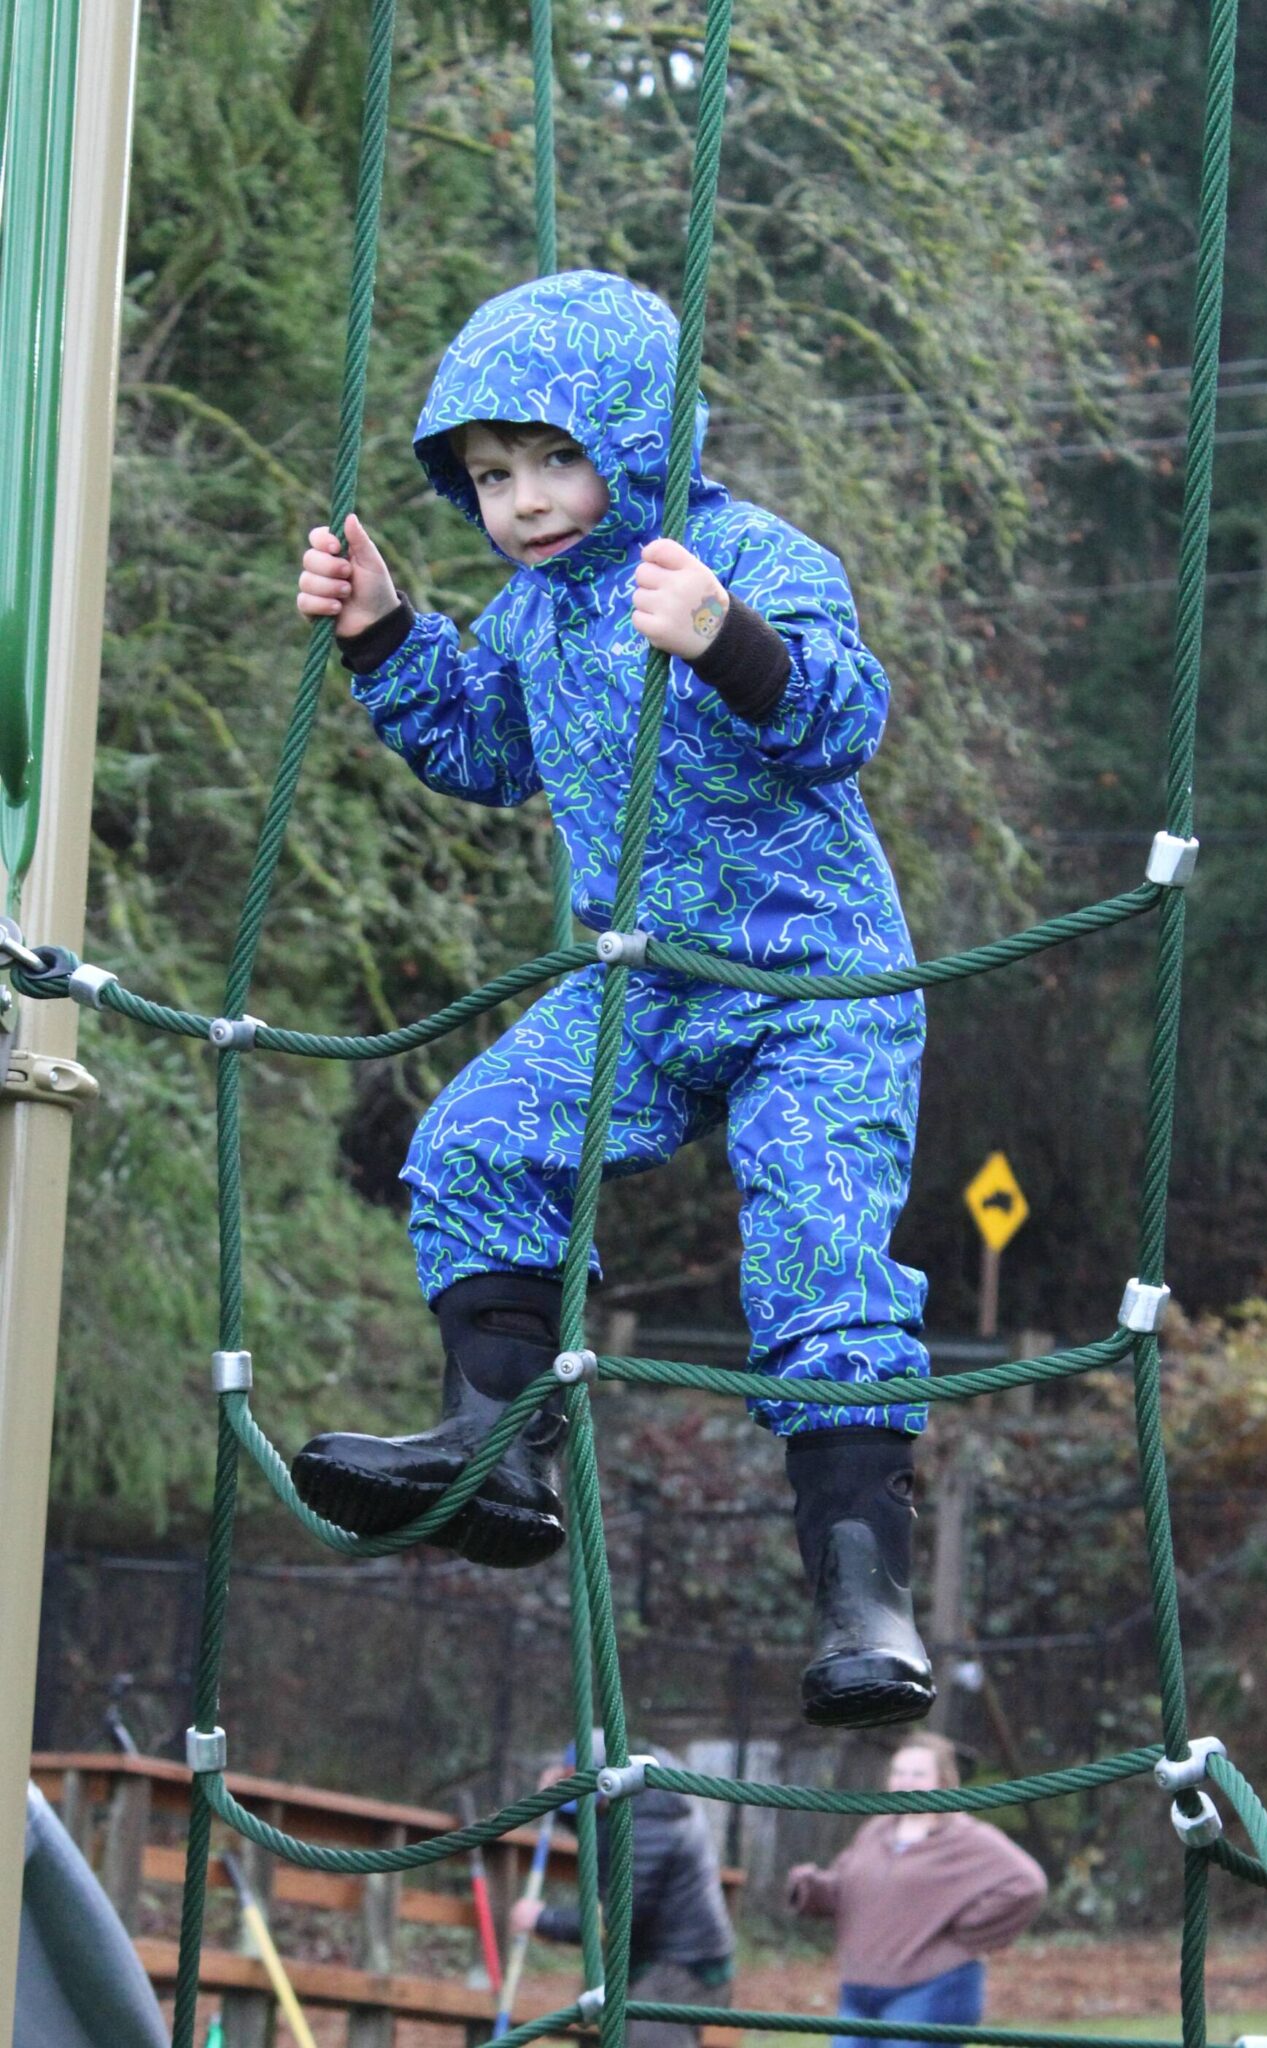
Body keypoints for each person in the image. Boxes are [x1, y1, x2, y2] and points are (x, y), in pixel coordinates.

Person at [289, 268, 933, 1728]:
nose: (522, 502)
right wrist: (387, 630)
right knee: (474, 1147)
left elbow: (845, 720)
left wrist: (727, 639)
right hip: (641, 985)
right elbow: (484, 751)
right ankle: (497, 1447)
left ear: (635, 436)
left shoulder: (742, 553)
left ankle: (860, 1592)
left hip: (809, 984)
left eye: (554, 460)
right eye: (492, 476)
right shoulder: (529, 614)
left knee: (818, 1256)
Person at [787, 1734, 1046, 2048]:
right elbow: (846, 1889)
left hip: (931, 1988)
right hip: (859, 1988)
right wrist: (811, 1888)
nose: (905, 1781)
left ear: (943, 1780)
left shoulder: (966, 1838)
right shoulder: (876, 1830)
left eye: (918, 1774)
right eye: (899, 1772)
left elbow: (1026, 1884)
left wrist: (967, 1928)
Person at [512, 1735, 734, 2048]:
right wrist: (556, 1799)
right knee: (596, 2016)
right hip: (646, 1959)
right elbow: (595, 1822)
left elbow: (618, 1918)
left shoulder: (651, 1824)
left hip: (683, 1968)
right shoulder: (628, 1802)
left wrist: (542, 1919)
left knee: (647, 2036)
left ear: (608, 1779)